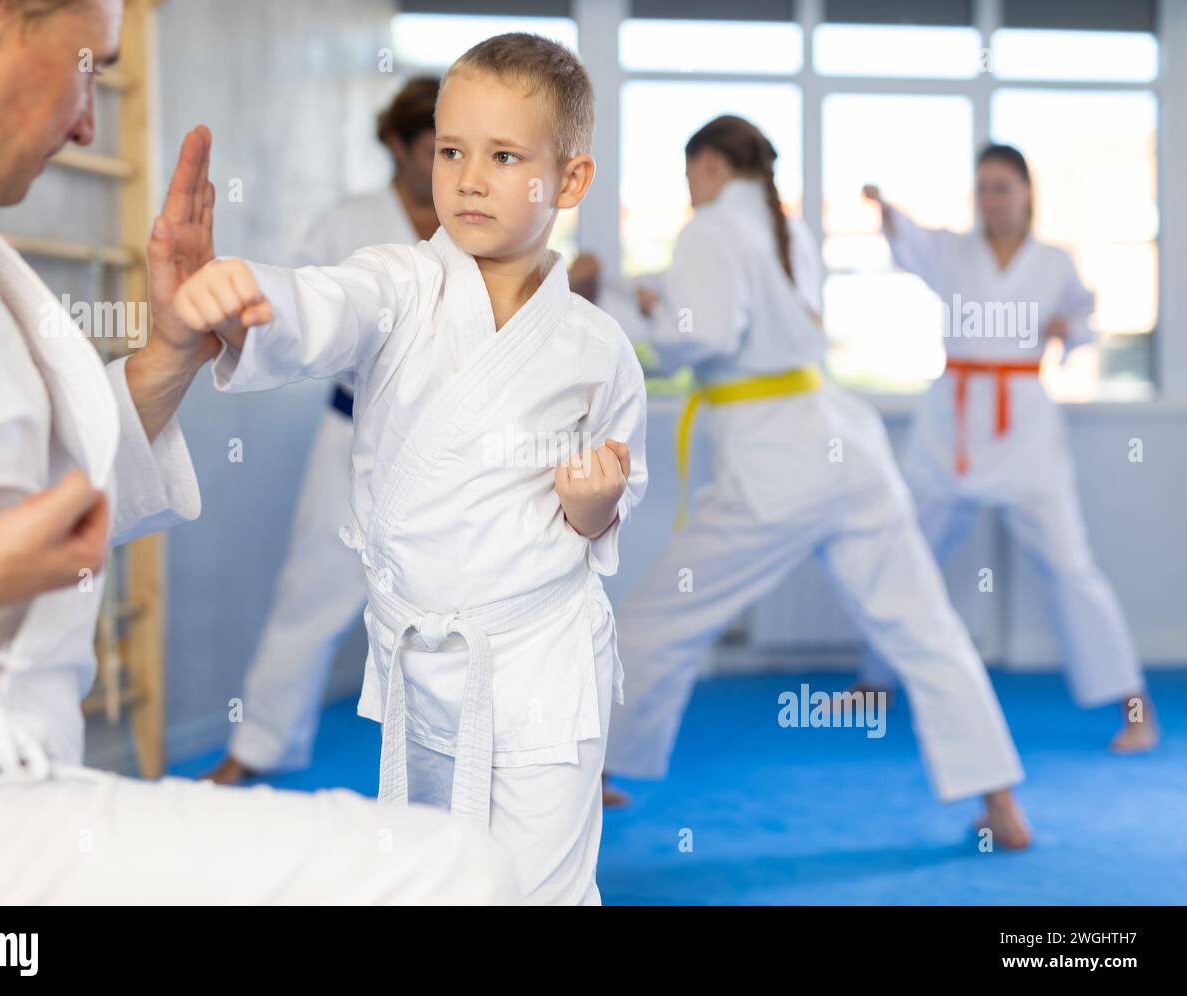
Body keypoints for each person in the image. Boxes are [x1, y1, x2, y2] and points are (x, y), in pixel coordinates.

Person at [0, 0, 518, 905]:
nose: (85, 120)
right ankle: (258, 740)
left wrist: (168, 354)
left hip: (9, 799)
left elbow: (42, 490)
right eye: (87, 67)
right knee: (453, 874)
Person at [172, 33, 649, 903]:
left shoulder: (596, 346)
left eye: (504, 157)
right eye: (453, 150)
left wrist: (596, 500)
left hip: (542, 658)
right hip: (425, 659)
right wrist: (247, 300)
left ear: (569, 182)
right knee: (445, 876)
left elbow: (604, 515)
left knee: (545, 885)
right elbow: (328, 303)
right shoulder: (398, 281)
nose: (468, 177)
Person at [595, 116, 1031, 848]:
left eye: (687, 172)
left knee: (654, 621)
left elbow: (700, 333)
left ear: (705, 165)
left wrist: (640, 315)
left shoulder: (709, 229)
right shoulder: (780, 225)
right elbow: (722, 307)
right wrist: (643, 297)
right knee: (927, 631)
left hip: (777, 463)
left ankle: (591, 773)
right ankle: (1003, 806)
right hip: (845, 444)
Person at [853, 145, 1158, 753]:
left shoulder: (1054, 261)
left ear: (1026, 192)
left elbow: (1084, 317)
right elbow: (907, 237)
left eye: (1003, 187)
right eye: (984, 188)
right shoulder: (952, 251)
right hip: (953, 424)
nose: (992, 200)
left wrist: (1066, 331)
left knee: (1070, 565)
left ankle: (1133, 704)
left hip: (1023, 427)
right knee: (908, 549)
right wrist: (885, 209)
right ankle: (874, 683)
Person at [208, 77, 441, 786]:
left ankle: (542, 767)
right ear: (399, 145)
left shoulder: (476, 222)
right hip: (358, 435)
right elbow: (305, 317)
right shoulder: (350, 222)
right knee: (310, 594)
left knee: (482, 608)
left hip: (458, 449)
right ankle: (257, 747)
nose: (451, 167)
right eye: (438, 148)